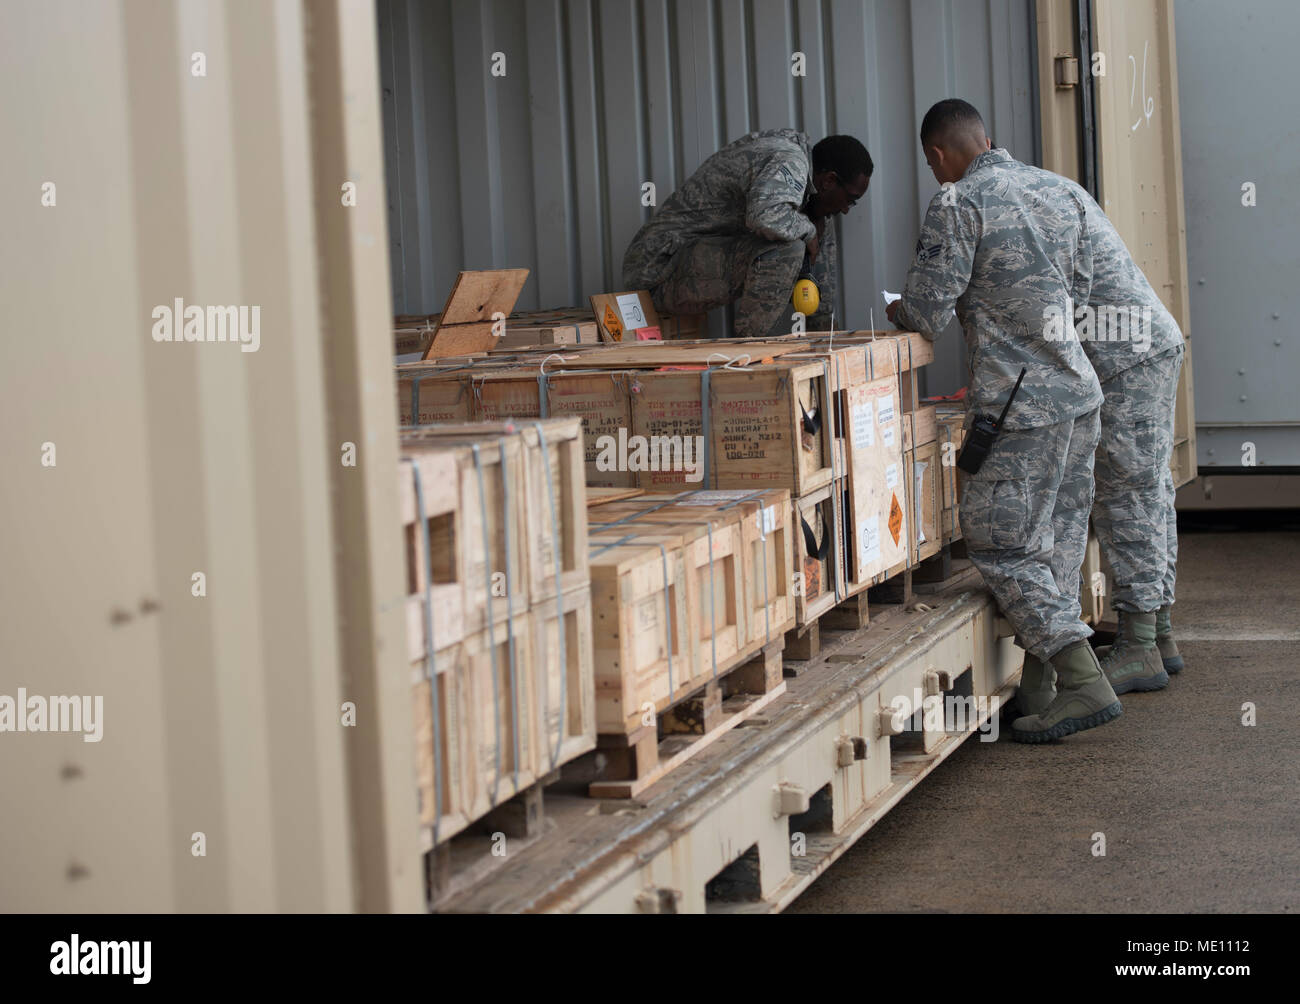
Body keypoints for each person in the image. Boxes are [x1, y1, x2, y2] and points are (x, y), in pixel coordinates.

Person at [887, 98, 1120, 743]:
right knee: (1058, 544)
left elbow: (927, 311)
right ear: (987, 136)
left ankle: (1082, 678)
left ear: (937, 155)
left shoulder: (957, 203)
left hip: (1020, 408)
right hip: (1079, 394)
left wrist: (900, 311)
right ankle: (1040, 687)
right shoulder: (1061, 191)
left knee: (1000, 542)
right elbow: (1083, 286)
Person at [622, 130, 872, 339]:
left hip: (684, 264)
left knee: (808, 229)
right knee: (790, 246)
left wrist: (833, 349)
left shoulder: (813, 201)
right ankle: (752, 355)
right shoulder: (790, 160)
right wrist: (807, 230)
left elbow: (822, 289)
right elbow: (765, 216)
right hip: (658, 271)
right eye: (851, 199)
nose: (847, 209)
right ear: (829, 180)